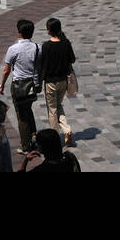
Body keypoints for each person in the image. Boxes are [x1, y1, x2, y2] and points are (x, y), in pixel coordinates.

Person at [0, 19, 40, 153]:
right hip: (32, 85)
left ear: (19, 33)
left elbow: (6, 70)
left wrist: (1, 85)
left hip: (19, 87)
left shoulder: (13, 49)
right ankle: (34, 137)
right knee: (28, 110)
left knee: (21, 117)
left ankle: (26, 146)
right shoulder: (37, 48)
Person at [38, 17, 75, 146]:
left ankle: (54, 137)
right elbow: (72, 60)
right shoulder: (66, 43)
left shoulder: (46, 46)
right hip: (64, 81)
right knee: (58, 105)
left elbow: (44, 68)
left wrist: (39, 82)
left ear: (48, 31)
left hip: (51, 83)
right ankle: (67, 129)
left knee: (52, 109)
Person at [17, 129, 81, 173]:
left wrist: (25, 160)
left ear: (42, 147)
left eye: (38, 144)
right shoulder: (70, 157)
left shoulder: (42, 169)